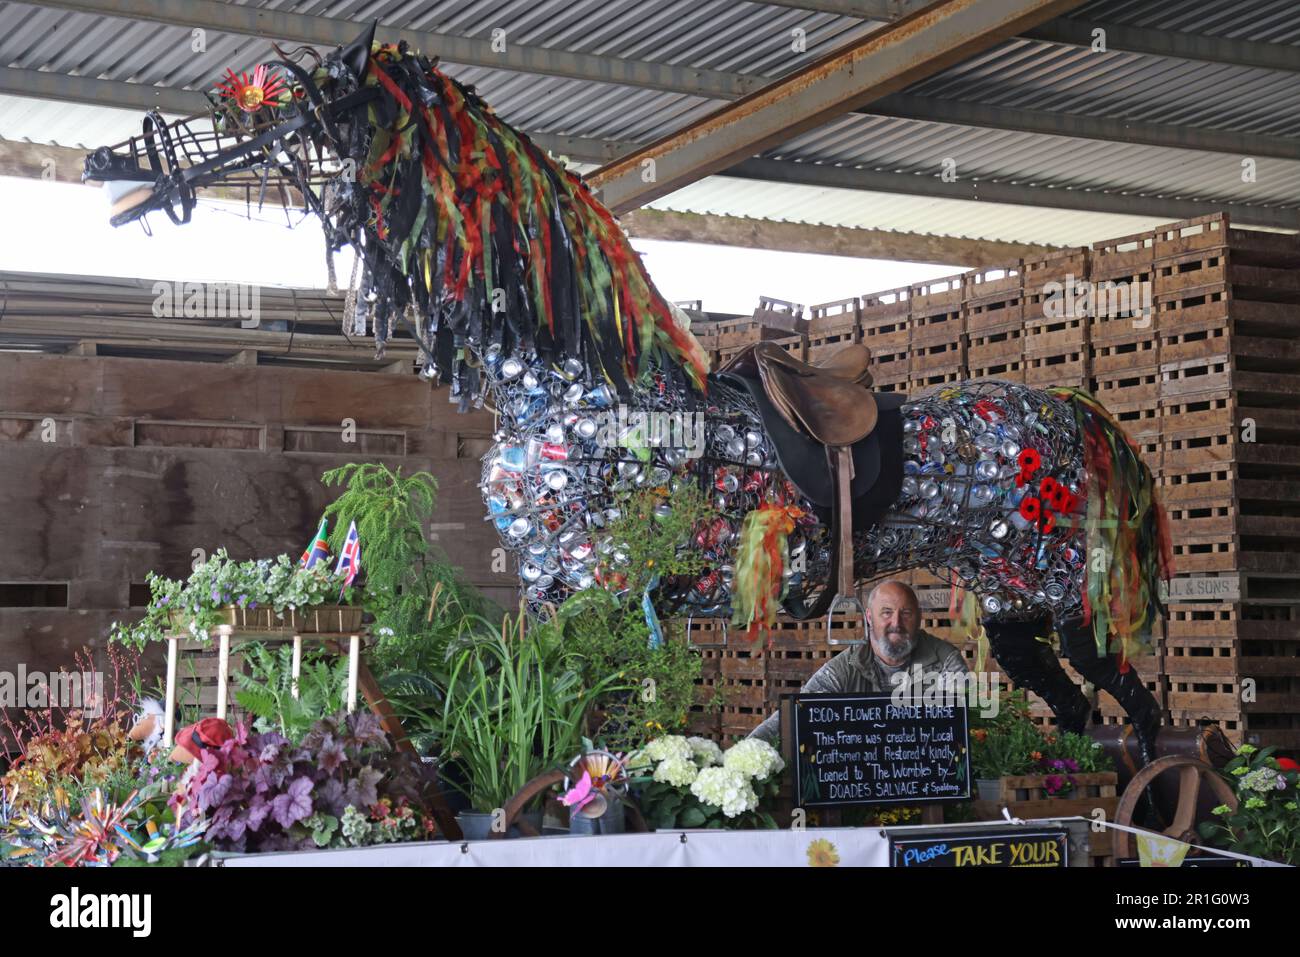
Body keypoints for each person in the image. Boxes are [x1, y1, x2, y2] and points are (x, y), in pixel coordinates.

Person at [748, 579, 968, 745]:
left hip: (924, 778)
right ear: (869, 618)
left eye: (906, 613)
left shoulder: (945, 661)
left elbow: (964, 722)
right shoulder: (844, 668)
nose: (896, 623)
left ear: (919, 617)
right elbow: (792, 717)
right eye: (886, 613)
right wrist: (741, 756)